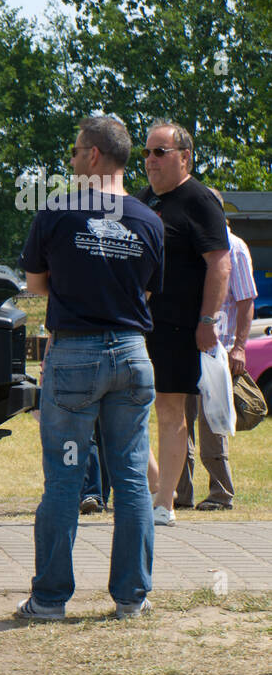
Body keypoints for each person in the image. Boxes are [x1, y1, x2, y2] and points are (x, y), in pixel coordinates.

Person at [16, 116, 163, 620]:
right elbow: (147, 291)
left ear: (94, 155)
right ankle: (131, 599)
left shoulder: (57, 212)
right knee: (132, 478)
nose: (73, 160)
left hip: (75, 356)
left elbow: (35, 284)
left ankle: (49, 600)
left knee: (65, 478)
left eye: (76, 152)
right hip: (132, 355)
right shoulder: (149, 220)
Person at [137, 121, 231, 527]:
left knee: (170, 408)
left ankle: (164, 505)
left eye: (160, 152)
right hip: (136, 323)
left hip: (178, 324)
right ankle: (159, 486)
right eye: (146, 152)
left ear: (185, 157)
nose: (150, 160)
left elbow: (220, 264)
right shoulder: (143, 200)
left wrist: (207, 319)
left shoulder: (199, 200)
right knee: (122, 404)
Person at [175, 191, 257, 511]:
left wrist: (239, 348)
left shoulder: (234, 246)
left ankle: (221, 494)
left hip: (216, 350)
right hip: (184, 346)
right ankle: (180, 493)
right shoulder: (191, 245)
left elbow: (246, 300)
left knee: (213, 422)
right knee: (179, 422)